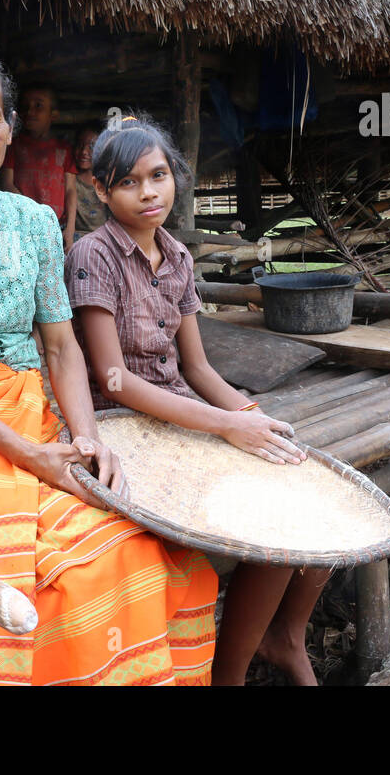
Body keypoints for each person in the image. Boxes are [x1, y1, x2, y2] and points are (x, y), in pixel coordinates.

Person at [0, 53, 218, 686]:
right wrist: (32, 455)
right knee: (54, 575)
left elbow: (61, 349)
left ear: (10, 127)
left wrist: (85, 440)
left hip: (34, 412)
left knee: (144, 548)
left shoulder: (33, 221)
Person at [65, 116, 329, 686]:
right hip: (124, 429)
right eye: (129, 182)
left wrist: (250, 417)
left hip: (185, 417)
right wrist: (222, 426)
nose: (148, 192)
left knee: (310, 490)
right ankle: (228, 675)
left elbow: (198, 367)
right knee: (265, 520)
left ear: (175, 178)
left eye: (158, 175)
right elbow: (113, 379)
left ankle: (284, 639)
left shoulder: (179, 259)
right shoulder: (94, 255)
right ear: (101, 190)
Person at [0, 84, 77, 249]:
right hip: (23, 225)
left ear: (53, 115)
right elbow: (7, 184)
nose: (30, 112)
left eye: (38, 106)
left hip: (58, 227)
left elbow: (70, 190)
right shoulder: (13, 145)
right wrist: (34, 215)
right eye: (26, 107)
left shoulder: (64, 149)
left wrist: (70, 229)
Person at [71, 121, 108, 241]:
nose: (84, 152)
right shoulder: (70, 180)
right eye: (80, 145)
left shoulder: (107, 181)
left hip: (103, 238)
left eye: (92, 147)